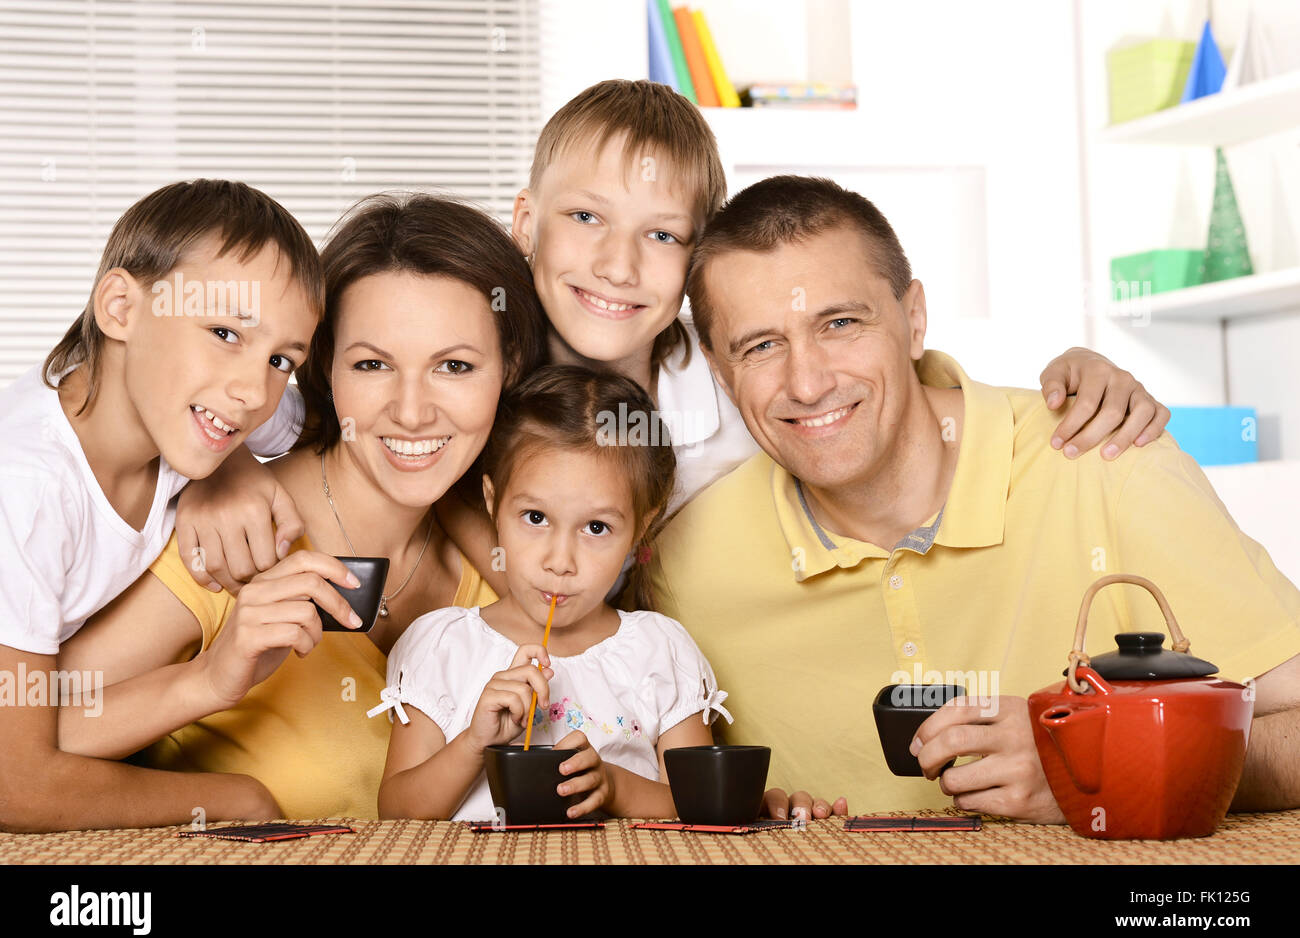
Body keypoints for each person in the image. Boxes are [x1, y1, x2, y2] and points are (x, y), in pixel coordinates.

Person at [177, 80, 1173, 596]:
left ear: (695, 262)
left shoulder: (733, 398)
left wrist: (1076, 370)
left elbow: (870, 400)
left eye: (660, 236)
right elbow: (282, 402)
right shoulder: (461, 341)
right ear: (524, 219)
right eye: (584, 220)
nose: (617, 264)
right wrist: (221, 474)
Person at [650, 174, 1300, 823]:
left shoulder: (1106, 459)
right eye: (761, 345)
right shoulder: (679, 565)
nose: (809, 381)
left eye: (840, 322)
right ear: (718, 370)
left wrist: (1101, 766)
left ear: (913, 320)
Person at [54, 193, 549, 822]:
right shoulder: (234, 539)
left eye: (454, 366)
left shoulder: (511, 569)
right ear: (324, 371)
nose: (412, 411)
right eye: (373, 364)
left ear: (506, 371)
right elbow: (28, 736)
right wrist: (211, 680)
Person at [0, 179, 322, 832]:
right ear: (120, 307)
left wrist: (230, 466)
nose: (253, 390)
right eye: (226, 330)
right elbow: (16, 786)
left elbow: (333, 426)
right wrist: (239, 798)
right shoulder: (28, 486)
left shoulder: (213, 396)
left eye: (282, 358)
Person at [374, 365, 727, 822]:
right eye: (535, 518)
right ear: (492, 501)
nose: (560, 560)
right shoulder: (441, 646)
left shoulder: (661, 651)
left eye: (596, 527)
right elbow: (396, 815)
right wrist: (473, 742)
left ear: (641, 526)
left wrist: (616, 787)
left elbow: (702, 806)